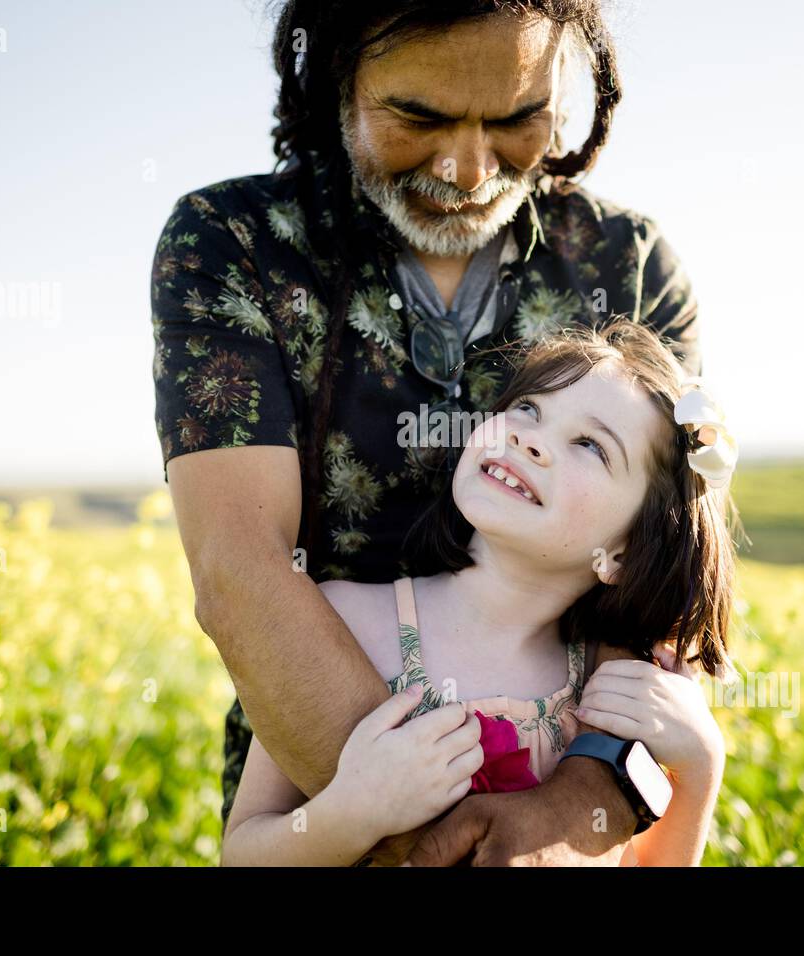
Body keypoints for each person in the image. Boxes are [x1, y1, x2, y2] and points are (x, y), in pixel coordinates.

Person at [152, 0, 707, 865]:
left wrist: (567, 809)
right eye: (418, 117)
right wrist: (420, 841)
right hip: (317, 798)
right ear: (335, 78)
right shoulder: (236, 245)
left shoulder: (627, 264)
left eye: (519, 118)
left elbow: (668, 573)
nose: (468, 168)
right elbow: (240, 569)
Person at [219, 321, 737, 866]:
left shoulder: (611, 699)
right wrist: (353, 811)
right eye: (529, 408)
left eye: (589, 444)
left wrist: (701, 766)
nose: (526, 437)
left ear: (626, 555)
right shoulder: (343, 621)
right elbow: (244, 852)